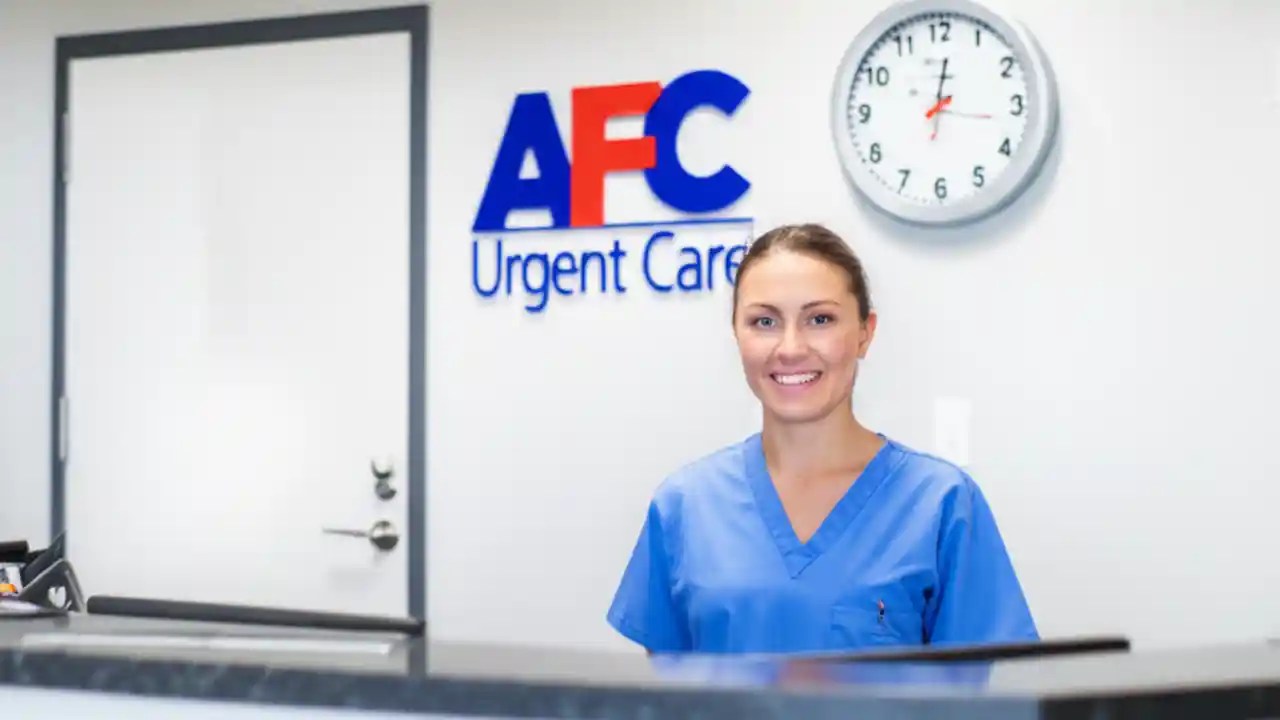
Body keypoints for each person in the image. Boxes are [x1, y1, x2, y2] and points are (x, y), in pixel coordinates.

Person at [606, 223, 1037, 655]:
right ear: (736, 333)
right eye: (764, 321)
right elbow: (664, 696)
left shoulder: (939, 503)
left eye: (820, 319)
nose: (791, 347)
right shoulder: (686, 504)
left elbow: (991, 694)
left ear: (865, 332)